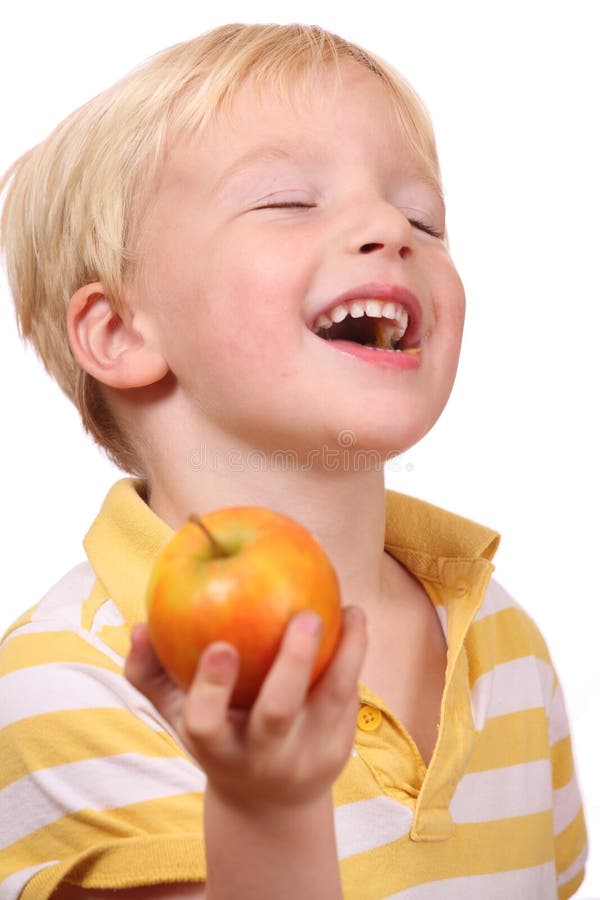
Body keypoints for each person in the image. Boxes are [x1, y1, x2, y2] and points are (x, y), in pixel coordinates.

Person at [0, 22, 587, 900]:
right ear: (120, 332)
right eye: (287, 200)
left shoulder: (502, 639)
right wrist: (266, 811)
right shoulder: (63, 682)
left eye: (422, 215)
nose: (391, 227)